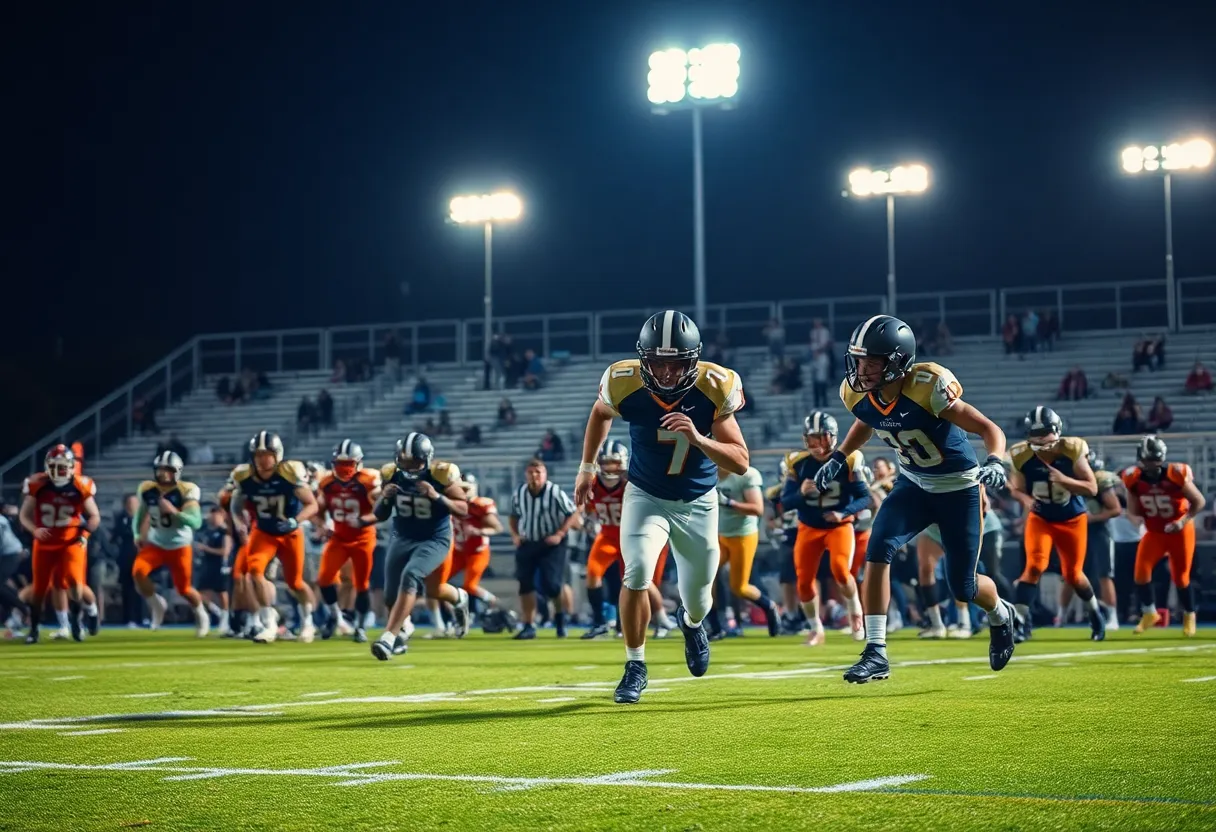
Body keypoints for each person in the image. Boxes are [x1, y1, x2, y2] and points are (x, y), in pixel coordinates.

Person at [817, 315, 1018, 684]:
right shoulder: (858, 393)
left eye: (871, 362)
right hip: (912, 483)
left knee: (964, 586)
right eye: (858, 360)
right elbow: (867, 418)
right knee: (877, 550)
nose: (861, 370)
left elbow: (990, 429)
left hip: (958, 488)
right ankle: (875, 651)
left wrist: (995, 461)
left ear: (897, 362)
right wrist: (838, 455)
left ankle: (1002, 614)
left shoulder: (927, 387)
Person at [575, 310, 749, 704]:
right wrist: (587, 467)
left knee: (698, 596)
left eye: (676, 364)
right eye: (657, 363)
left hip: (698, 501)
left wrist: (699, 438)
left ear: (693, 360)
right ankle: (635, 665)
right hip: (645, 494)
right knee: (635, 572)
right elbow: (600, 413)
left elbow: (740, 460)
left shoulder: (715, 385)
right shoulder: (623, 382)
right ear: (643, 359)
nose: (667, 374)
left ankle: (692, 624)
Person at [1006, 407, 1105, 641]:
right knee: (1034, 567)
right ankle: (1020, 624)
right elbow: (1016, 489)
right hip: (1041, 518)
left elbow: (1092, 488)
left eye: (1046, 432)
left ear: (1057, 430)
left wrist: (1065, 480)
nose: (1041, 438)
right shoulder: (1021, 454)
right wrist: (1026, 499)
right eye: (1035, 433)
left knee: (1073, 574)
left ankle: (1095, 614)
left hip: (1072, 518)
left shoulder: (1072, 449)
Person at [370, 433, 470, 660]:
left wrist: (436, 496)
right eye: (405, 461)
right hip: (402, 537)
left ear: (426, 459)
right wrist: (384, 498)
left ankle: (389, 638)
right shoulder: (391, 474)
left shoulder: (440, 475)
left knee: (412, 575)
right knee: (390, 596)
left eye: (415, 461)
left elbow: (463, 509)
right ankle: (404, 631)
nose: (409, 466)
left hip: (434, 538)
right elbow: (379, 515)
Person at [782, 412, 870, 645]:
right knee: (803, 581)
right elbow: (786, 502)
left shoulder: (849, 459)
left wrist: (844, 512)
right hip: (808, 526)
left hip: (839, 526)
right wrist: (801, 493)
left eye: (821, 438)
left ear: (833, 437)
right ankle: (815, 628)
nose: (816, 445)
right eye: (811, 439)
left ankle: (856, 615)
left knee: (841, 570)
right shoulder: (797, 462)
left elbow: (864, 497)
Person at [230, 431, 320, 643]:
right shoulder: (245, 476)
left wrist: (295, 521)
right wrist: (239, 522)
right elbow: (235, 506)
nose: (263, 459)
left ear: (277, 454)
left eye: (267, 454)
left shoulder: (288, 473)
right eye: (259, 454)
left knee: (295, 582)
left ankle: (308, 621)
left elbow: (312, 504)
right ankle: (268, 622)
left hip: (290, 532)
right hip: (263, 532)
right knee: (254, 571)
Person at [580, 441, 675, 640]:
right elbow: (588, 510)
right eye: (606, 463)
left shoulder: (632, 484)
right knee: (592, 573)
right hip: (607, 536)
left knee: (643, 582)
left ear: (622, 462)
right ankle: (599, 623)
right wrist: (589, 521)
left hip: (631, 537)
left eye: (614, 462)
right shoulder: (593, 484)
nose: (610, 467)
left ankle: (661, 619)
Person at [1122, 436, 1205, 637]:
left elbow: (1199, 501)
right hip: (1155, 532)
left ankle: (1189, 615)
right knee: (1140, 573)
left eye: (1155, 459)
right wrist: (1137, 516)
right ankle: (1150, 613)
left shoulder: (1175, 474)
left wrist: (1182, 522)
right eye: (1149, 460)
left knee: (1180, 578)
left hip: (1180, 531)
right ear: (1141, 459)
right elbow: (1134, 510)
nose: (1153, 465)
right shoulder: (1134, 478)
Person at [17, 445, 102, 643]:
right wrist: (34, 529)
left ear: (72, 467)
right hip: (45, 542)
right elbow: (24, 515)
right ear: (47, 467)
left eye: (64, 467)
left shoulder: (81, 485)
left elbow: (94, 516)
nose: (59, 471)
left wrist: (85, 534)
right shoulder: (37, 483)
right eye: (55, 466)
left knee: (74, 582)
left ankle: (75, 619)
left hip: (71, 541)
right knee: (39, 589)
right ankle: (34, 629)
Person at [132, 451, 209, 636]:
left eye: (168, 470)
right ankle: (156, 604)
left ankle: (201, 613)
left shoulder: (186, 491)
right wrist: (136, 533)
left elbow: (196, 522)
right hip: (156, 543)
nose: (163, 474)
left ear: (177, 471)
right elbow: (140, 514)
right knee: (138, 572)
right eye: (160, 470)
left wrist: (174, 511)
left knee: (184, 589)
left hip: (180, 546)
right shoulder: (147, 489)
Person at [315, 440, 382, 643]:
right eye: (339, 464)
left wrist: (364, 520)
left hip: (363, 538)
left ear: (359, 463)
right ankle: (335, 617)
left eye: (349, 464)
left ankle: (360, 626)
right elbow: (317, 510)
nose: (344, 469)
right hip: (338, 538)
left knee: (361, 584)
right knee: (324, 580)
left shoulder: (368, 480)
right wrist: (321, 524)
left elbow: (381, 511)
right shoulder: (327, 483)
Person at [509, 458, 580, 639]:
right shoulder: (520, 492)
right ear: (526, 474)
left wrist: (560, 533)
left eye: (538, 472)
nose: (534, 476)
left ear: (545, 474)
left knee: (552, 584)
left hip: (551, 543)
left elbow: (572, 513)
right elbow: (514, 515)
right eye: (531, 472)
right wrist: (516, 535)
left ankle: (559, 619)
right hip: (529, 541)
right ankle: (529, 624)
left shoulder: (554, 491)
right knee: (525, 583)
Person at [448, 473, 503, 616]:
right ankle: (453, 617)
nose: (464, 491)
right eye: (461, 488)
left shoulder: (479, 505)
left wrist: (477, 531)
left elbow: (497, 528)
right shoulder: (451, 503)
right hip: (458, 550)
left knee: (469, 586)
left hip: (477, 551)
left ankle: (493, 601)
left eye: (467, 488)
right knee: (438, 583)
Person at [194, 505, 233, 634]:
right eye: (212, 515)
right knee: (200, 594)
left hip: (220, 566)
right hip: (207, 565)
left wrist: (206, 549)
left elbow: (225, 551)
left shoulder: (226, 532)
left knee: (222, 593)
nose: (213, 517)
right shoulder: (208, 532)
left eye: (216, 515)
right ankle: (217, 612)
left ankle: (225, 619)